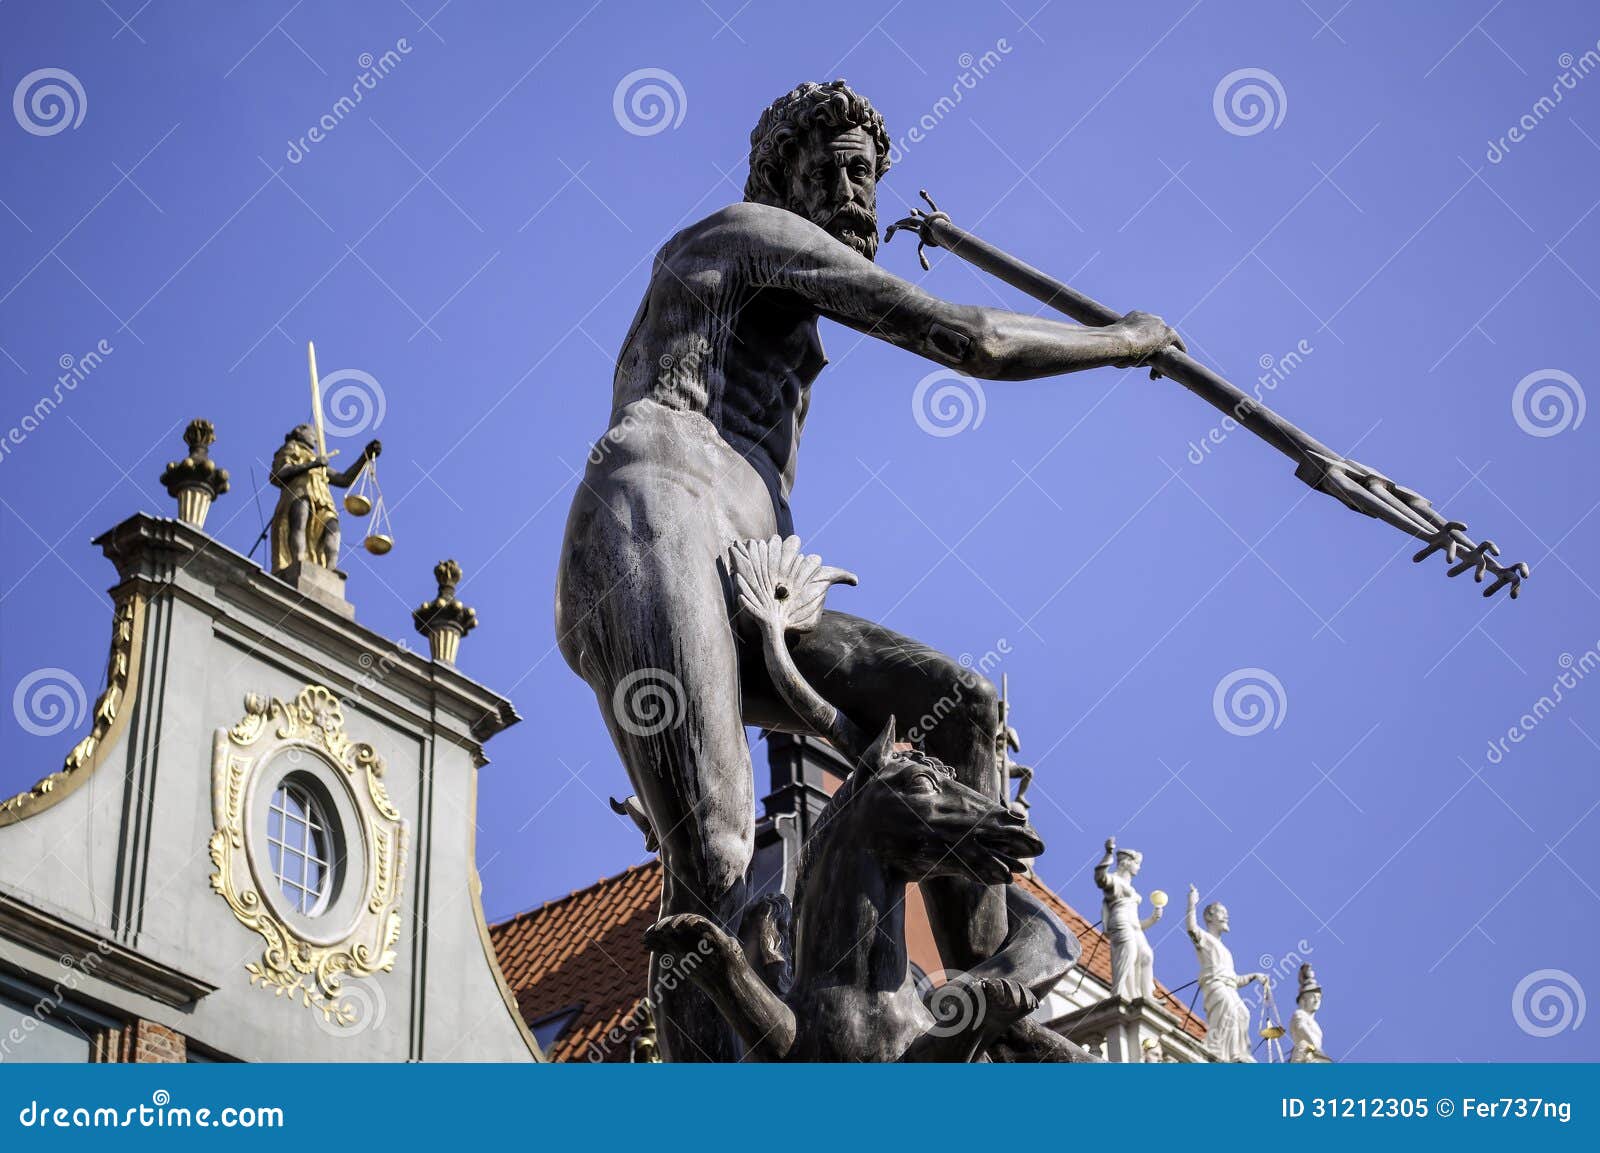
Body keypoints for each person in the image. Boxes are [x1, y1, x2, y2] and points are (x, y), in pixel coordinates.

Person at [555, 79, 1184, 1061]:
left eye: (869, 179)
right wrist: (1122, 340)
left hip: (753, 574)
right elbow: (971, 339)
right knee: (714, 852)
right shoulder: (747, 232)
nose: (857, 196)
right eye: (836, 171)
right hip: (651, 524)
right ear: (779, 177)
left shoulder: (788, 302)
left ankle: (984, 1013)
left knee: (961, 708)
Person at [269, 424, 379, 572]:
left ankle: (331, 566)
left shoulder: (317, 459)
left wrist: (365, 456)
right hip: (300, 493)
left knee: (333, 528)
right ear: (299, 432)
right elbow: (279, 474)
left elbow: (343, 479)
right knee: (300, 524)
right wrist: (313, 464)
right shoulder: (292, 448)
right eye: (312, 434)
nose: (315, 440)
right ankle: (298, 560)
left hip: (323, 499)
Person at [1185, 884, 1270, 1062]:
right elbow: (1191, 928)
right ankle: (1215, 1049)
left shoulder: (1226, 951)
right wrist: (1192, 903)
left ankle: (1237, 1054)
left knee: (1243, 1013)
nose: (1226, 916)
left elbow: (1234, 979)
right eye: (1221, 912)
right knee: (1227, 1008)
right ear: (1209, 917)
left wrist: (1254, 976)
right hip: (1215, 985)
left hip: (1230, 986)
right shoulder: (1205, 938)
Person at [1094, 836, 1161, 1001]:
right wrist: (1108, 854)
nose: (1139, 867)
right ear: (1126, 862)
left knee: (1146, 955)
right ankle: (1118, 993)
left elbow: (1137, 923)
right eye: (1136, 863)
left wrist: (1153, 919)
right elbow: (1100, 878)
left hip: (1134, 927)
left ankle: (1146, 996)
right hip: (1120, 921)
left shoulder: (1131, 889)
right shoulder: (1115, 881)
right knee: (1128, 954)